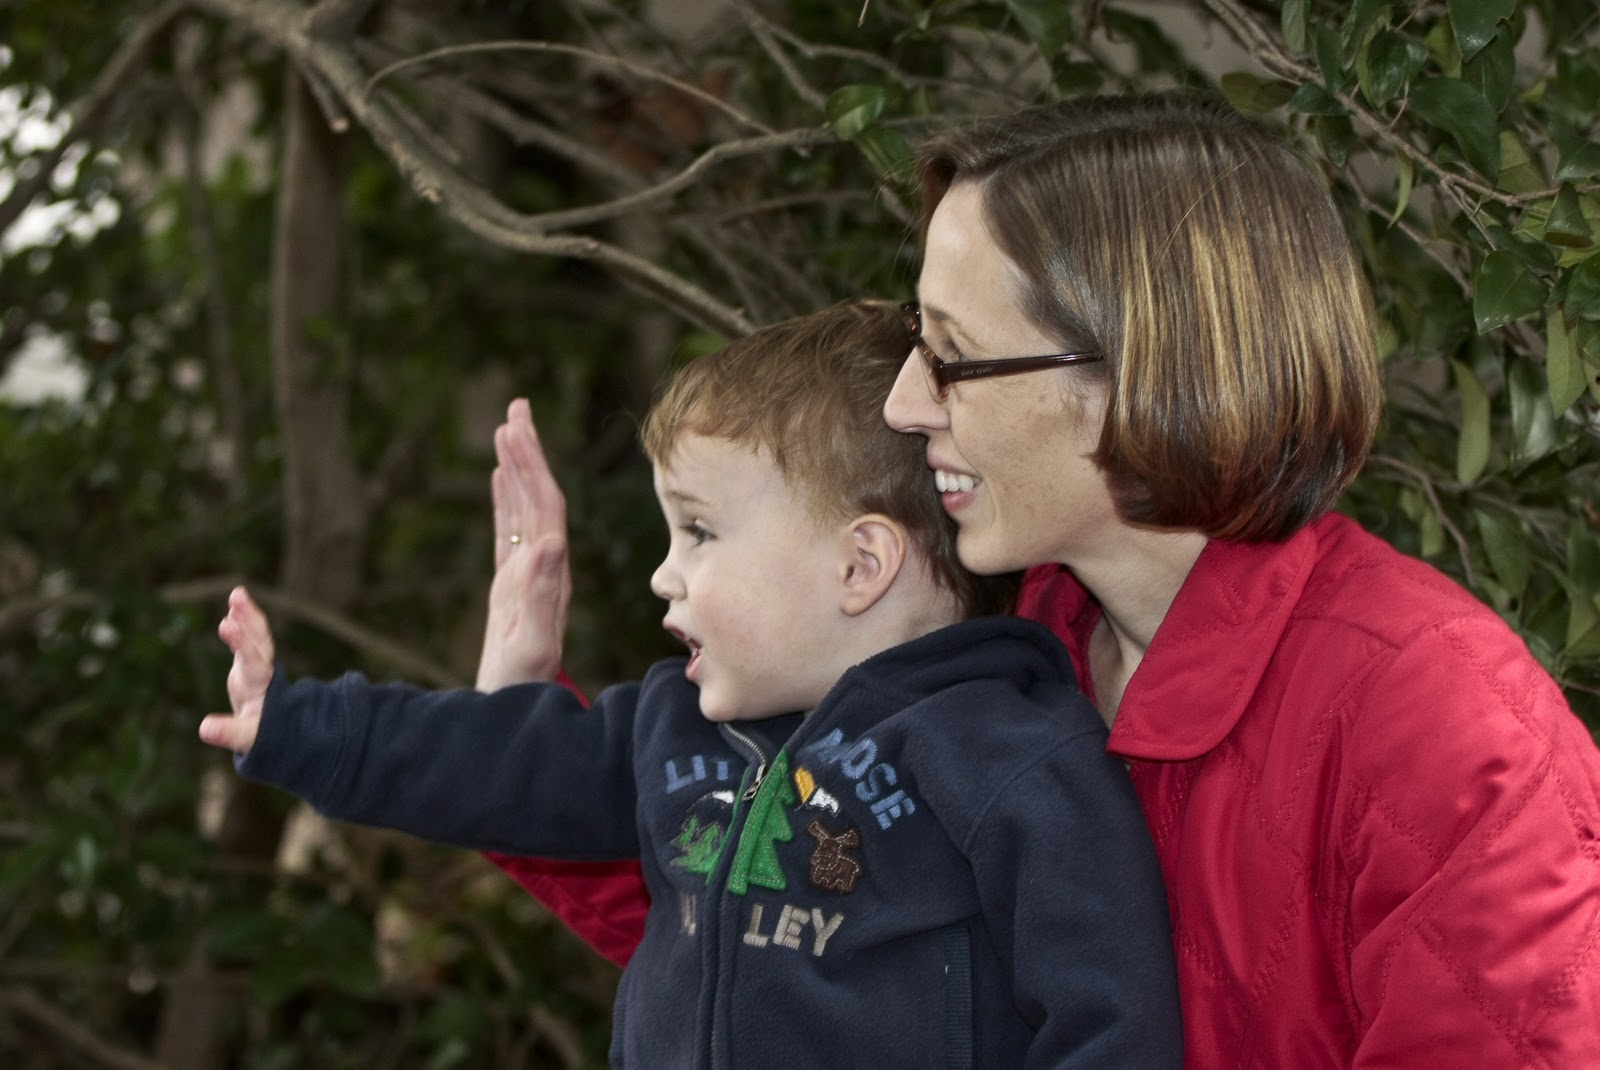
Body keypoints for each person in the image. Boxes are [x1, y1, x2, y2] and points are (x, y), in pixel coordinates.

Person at [480, 93, 1600, 1068]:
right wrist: (511, 722)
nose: (905, 403)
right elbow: (775, 943)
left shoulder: (1441, 732)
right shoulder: (1003, 648)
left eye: (951, 355)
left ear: (1139, 372)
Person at [199, 300, 1184, 1068]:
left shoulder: (1009, 756)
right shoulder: (674, 730)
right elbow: (495, 759)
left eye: (700, 532)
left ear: (860, 565)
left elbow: (1111, 1015)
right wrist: (301, 726)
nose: (663, 576)